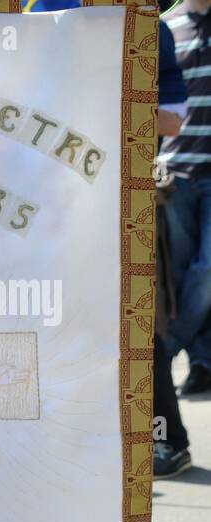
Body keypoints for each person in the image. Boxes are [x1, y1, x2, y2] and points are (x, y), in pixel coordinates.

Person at [159, 0, 211, 395]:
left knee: (206, 271)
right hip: (177, 171)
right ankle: (201, 363)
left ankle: (166, 347)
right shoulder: (165, 25)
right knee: (179, 276)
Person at [156, 17, 195, 478]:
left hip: (122, 198)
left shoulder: (147, 22)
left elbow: (171, 116)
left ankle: (168, 440)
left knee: (140, 326)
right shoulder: (28, 9)